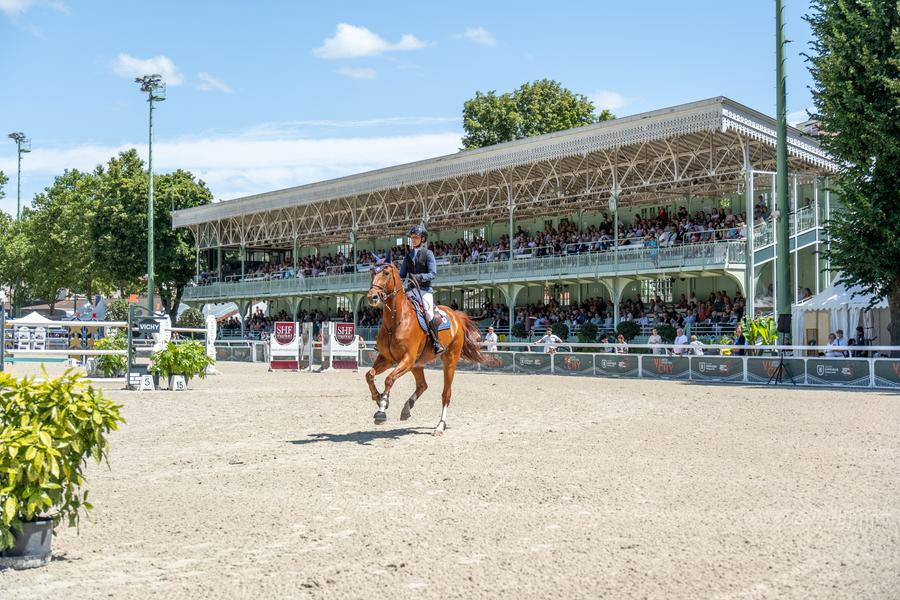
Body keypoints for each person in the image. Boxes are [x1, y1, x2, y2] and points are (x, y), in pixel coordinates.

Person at [399, 224, 445, 354]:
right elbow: (402, 275)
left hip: (424, 290)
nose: (413, 240)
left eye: (416, 237)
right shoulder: (408, 255)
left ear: (422, 239)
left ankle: (436, 342)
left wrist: (419, 277)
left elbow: (433, 274)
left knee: (429, 313)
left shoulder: (428, 253)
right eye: (412, 237)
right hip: (411, 291)